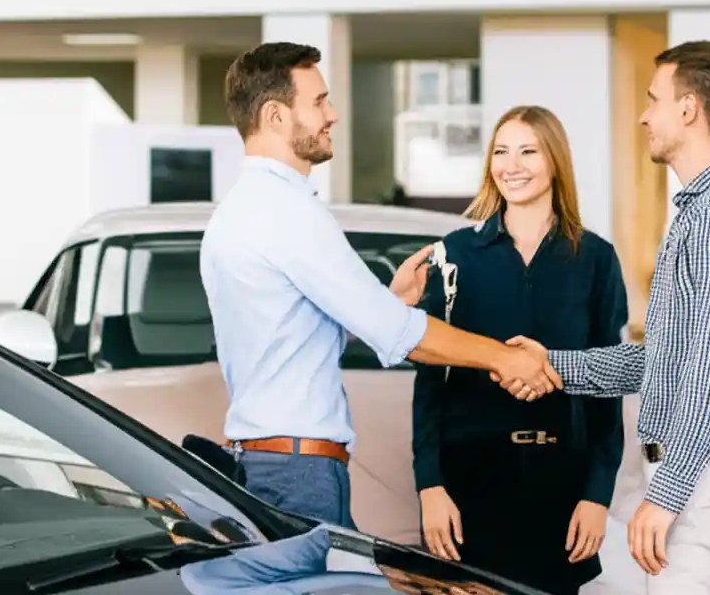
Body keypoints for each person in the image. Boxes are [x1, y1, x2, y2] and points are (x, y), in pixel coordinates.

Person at [200, 41, 563, 529]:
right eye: (318, 102)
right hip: (297, 475)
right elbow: (398, 333)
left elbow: (290, 336)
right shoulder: (286, 213)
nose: (332, 115)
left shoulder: (238, 211)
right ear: (275, 116)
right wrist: (507, 357)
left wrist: (387, 300)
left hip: (273, 466)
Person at [506, 40, 710, 594]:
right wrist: (553, 364)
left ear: (688, 109)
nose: (643, 115)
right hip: (689, 467)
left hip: (705, 474)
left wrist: (667, 494)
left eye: (654, 100)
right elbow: (667, 361)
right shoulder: (702, 209)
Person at [412, 105, 627, 595]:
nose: (513, 165)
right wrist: (430, 485)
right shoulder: (457, 253)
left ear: (555, 161)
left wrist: (597, 494)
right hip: (469, 482)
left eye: (528, 151)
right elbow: (429, 377)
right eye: (501, 152)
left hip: (559, 483)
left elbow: (609, 380)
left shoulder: (594, 258)